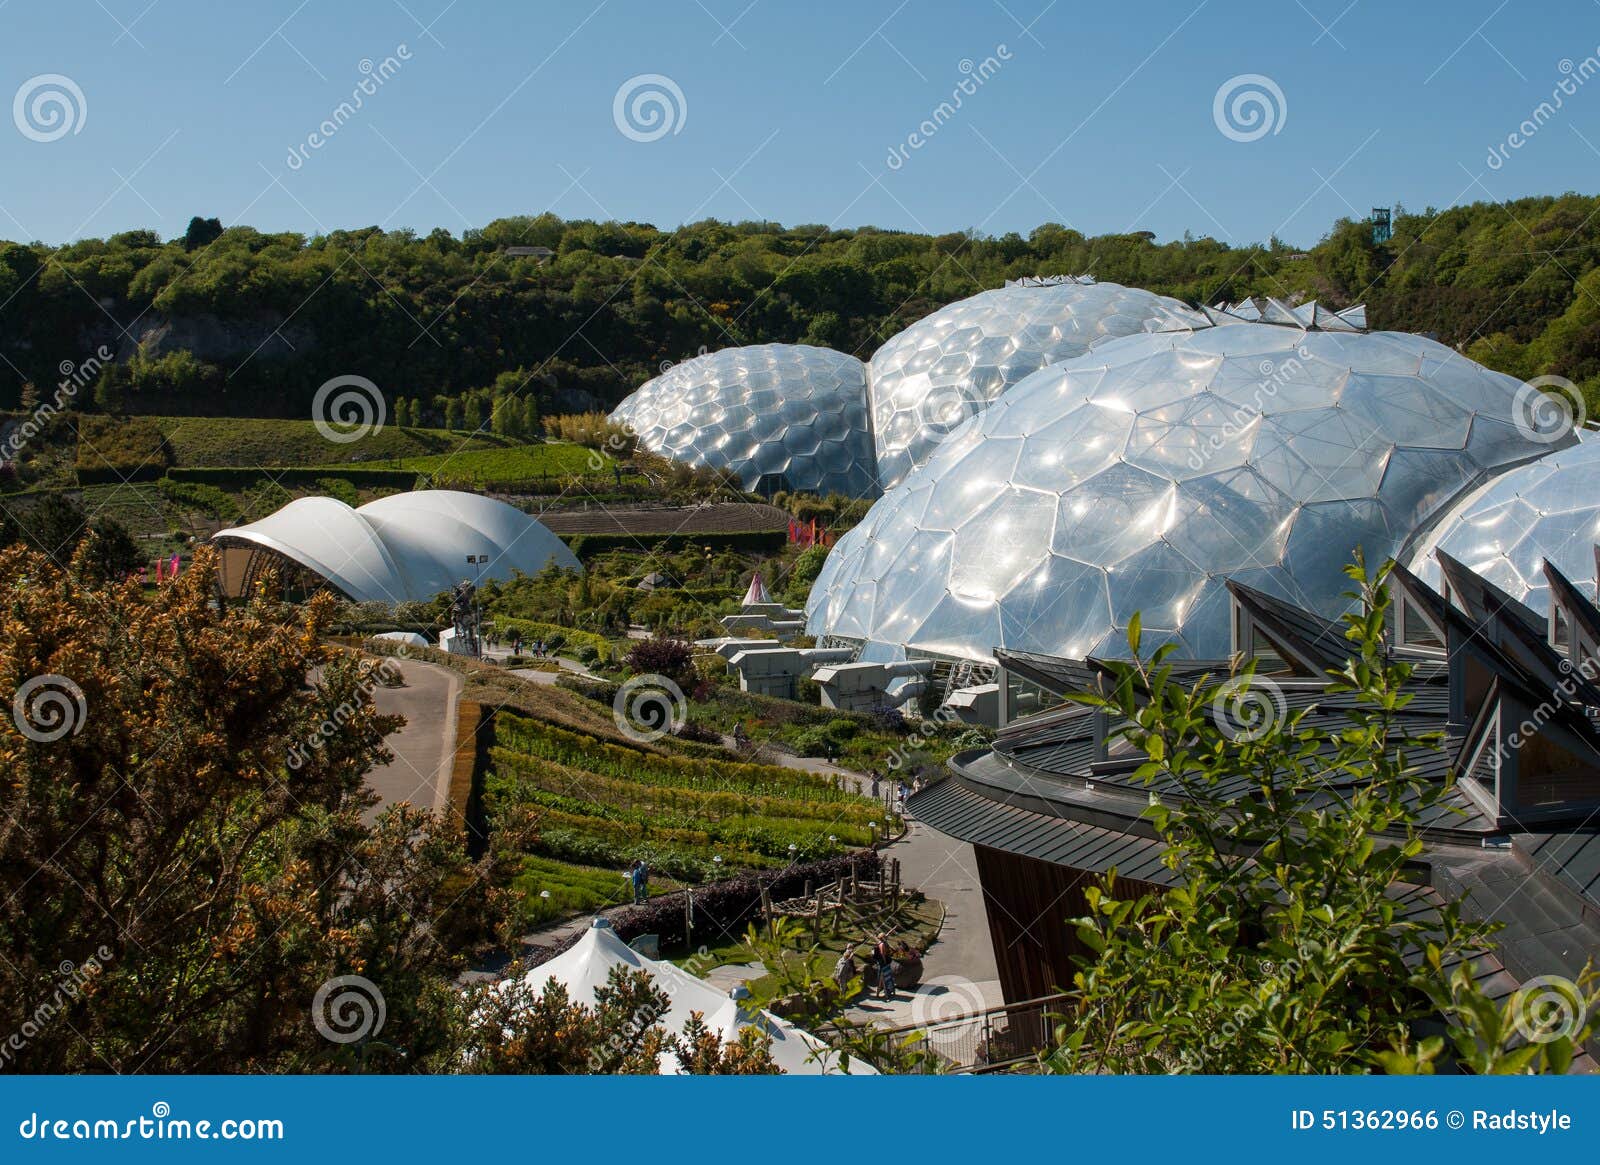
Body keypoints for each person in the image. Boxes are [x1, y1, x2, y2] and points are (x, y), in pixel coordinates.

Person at [873, 933, 896, 1000]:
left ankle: (883, 988)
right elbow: (883, 954)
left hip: (880, 962)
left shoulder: (879, 943)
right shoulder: (882, 944)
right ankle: (886, 989)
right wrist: (885, 961)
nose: (886, 938)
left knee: (883, 976)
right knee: (885, 976)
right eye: (885, 937)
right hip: (883, 962)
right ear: (883, 938)